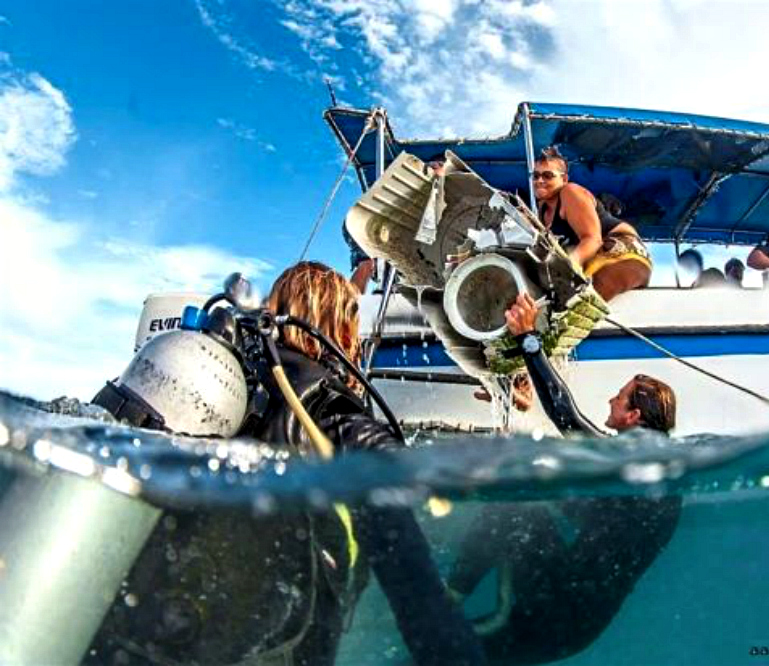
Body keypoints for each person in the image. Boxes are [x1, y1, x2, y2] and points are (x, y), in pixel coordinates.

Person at [89, 262, 484, 666]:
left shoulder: (222, 383)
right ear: (345, 332)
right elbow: (418, 596)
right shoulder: (336, 417)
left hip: (137, 621)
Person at [447, 293, 682, 665]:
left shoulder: (636, 462)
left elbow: (567, 418)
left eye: (619, 399)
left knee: (514, 511)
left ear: (634, 415)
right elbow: (593, 515)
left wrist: (528, 338)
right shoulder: (658, 480)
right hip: (577, 620)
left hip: (554, 611)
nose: (609, 400)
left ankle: (446, 602)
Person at [533, 146, 653, 301]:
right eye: (535, 176)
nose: (539, 181)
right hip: (595, 261)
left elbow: (592, 239)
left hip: (624, 253)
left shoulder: (570, 192)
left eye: (548, 175)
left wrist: (567, 269)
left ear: (564, 179)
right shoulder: (542, 209)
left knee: (574, 307)